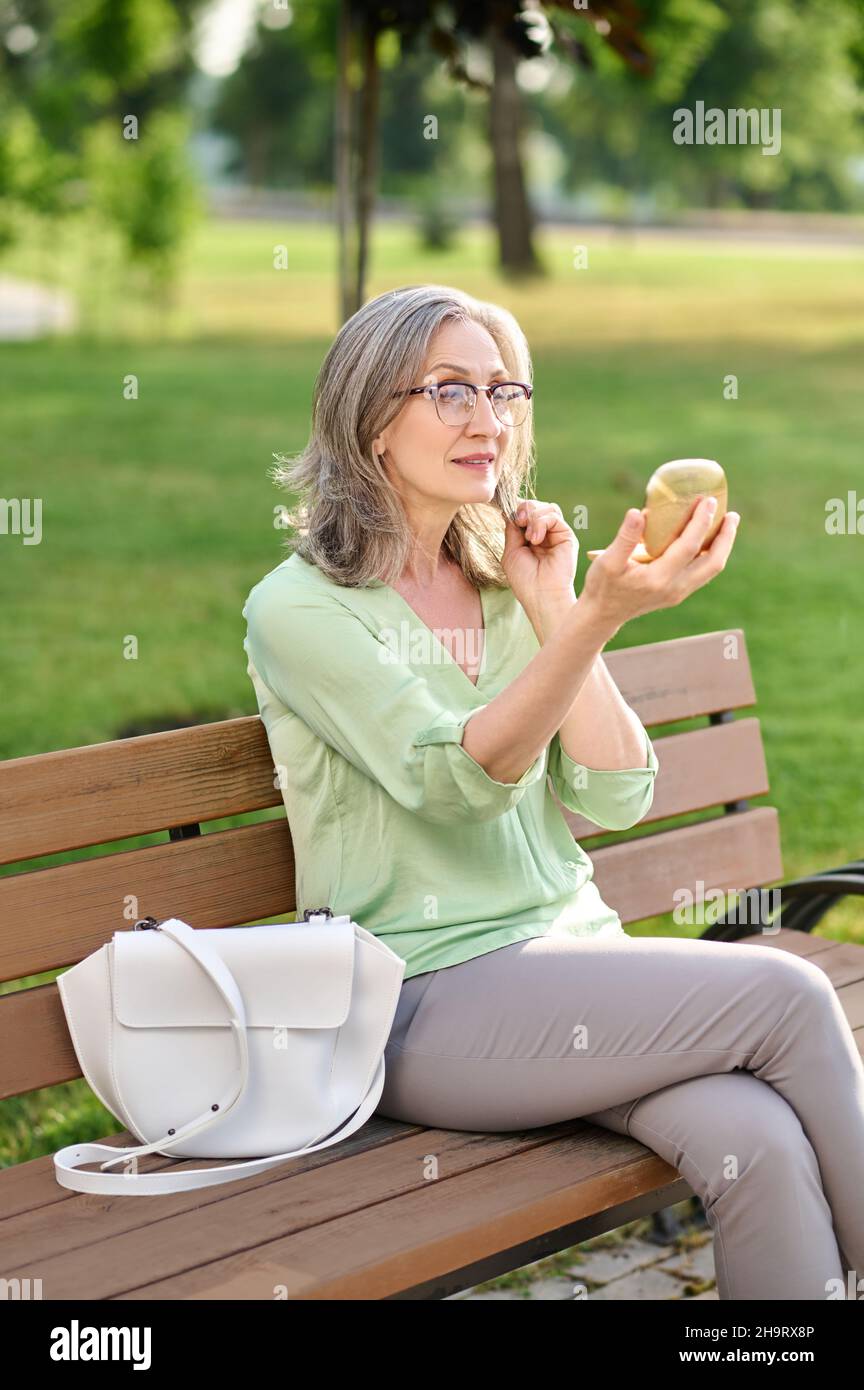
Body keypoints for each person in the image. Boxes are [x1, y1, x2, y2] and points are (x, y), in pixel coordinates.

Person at [241, 284, 864, 1301]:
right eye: (450, 390)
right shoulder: (301, 610)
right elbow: (456, 782)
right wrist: (595, 620)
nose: (488, 421)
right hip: (424, 1003)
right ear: (370, 417)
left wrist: (557, 607)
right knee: (788, 993)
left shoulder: (508, 582)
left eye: (503, 391)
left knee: (756, 1140)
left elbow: (616, 791)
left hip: (572, 973)